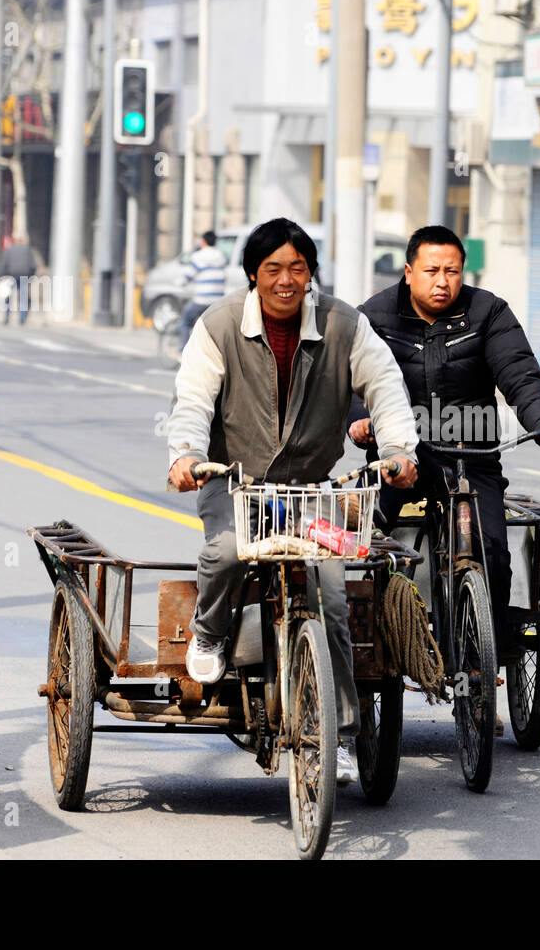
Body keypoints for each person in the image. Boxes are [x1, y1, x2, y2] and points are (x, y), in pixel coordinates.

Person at [167, 217, 419, 784]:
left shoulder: (343, 325)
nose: (286, 280)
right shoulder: (219, 325)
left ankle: (342, 736)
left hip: (309, 492)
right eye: (273, 269)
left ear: (311, 273)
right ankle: (210, 632)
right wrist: (184, 454)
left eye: (298, 268)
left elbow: (386, 387)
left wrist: (401, 448)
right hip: (234, 484)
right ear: (253, 274)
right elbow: (191, 402)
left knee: (332, 595)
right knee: (228, 551)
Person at [347, 225, 540, 736]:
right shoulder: (373, 317)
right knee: (366, 551)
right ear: (409, 273)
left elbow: (519, 371)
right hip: (398, 454)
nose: (442, 281)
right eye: (431, 271)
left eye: (452, 271)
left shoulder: (488, 312)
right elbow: (353, 379)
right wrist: (359, 419)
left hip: (472, 457)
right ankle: (363, 668)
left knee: (491, 552)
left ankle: (478, 673)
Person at [179, 230, 228, 350]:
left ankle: (183, 351)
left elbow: (188, 276)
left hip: (201, 300)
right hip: (218, 300)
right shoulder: (221, 257)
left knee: (184, 322)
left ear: (203, 241)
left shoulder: (198, 256)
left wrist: (180, 283)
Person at [0, 235, 38, 326]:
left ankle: (7, 317)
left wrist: (1, 276)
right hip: (24, 274)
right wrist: (31, 275)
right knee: (23, 297)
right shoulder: (28, 250)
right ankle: (22, 318)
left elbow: (4, 263)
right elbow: (33, 265)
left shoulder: (9, 250)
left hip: (10, 274)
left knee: (8, 296)